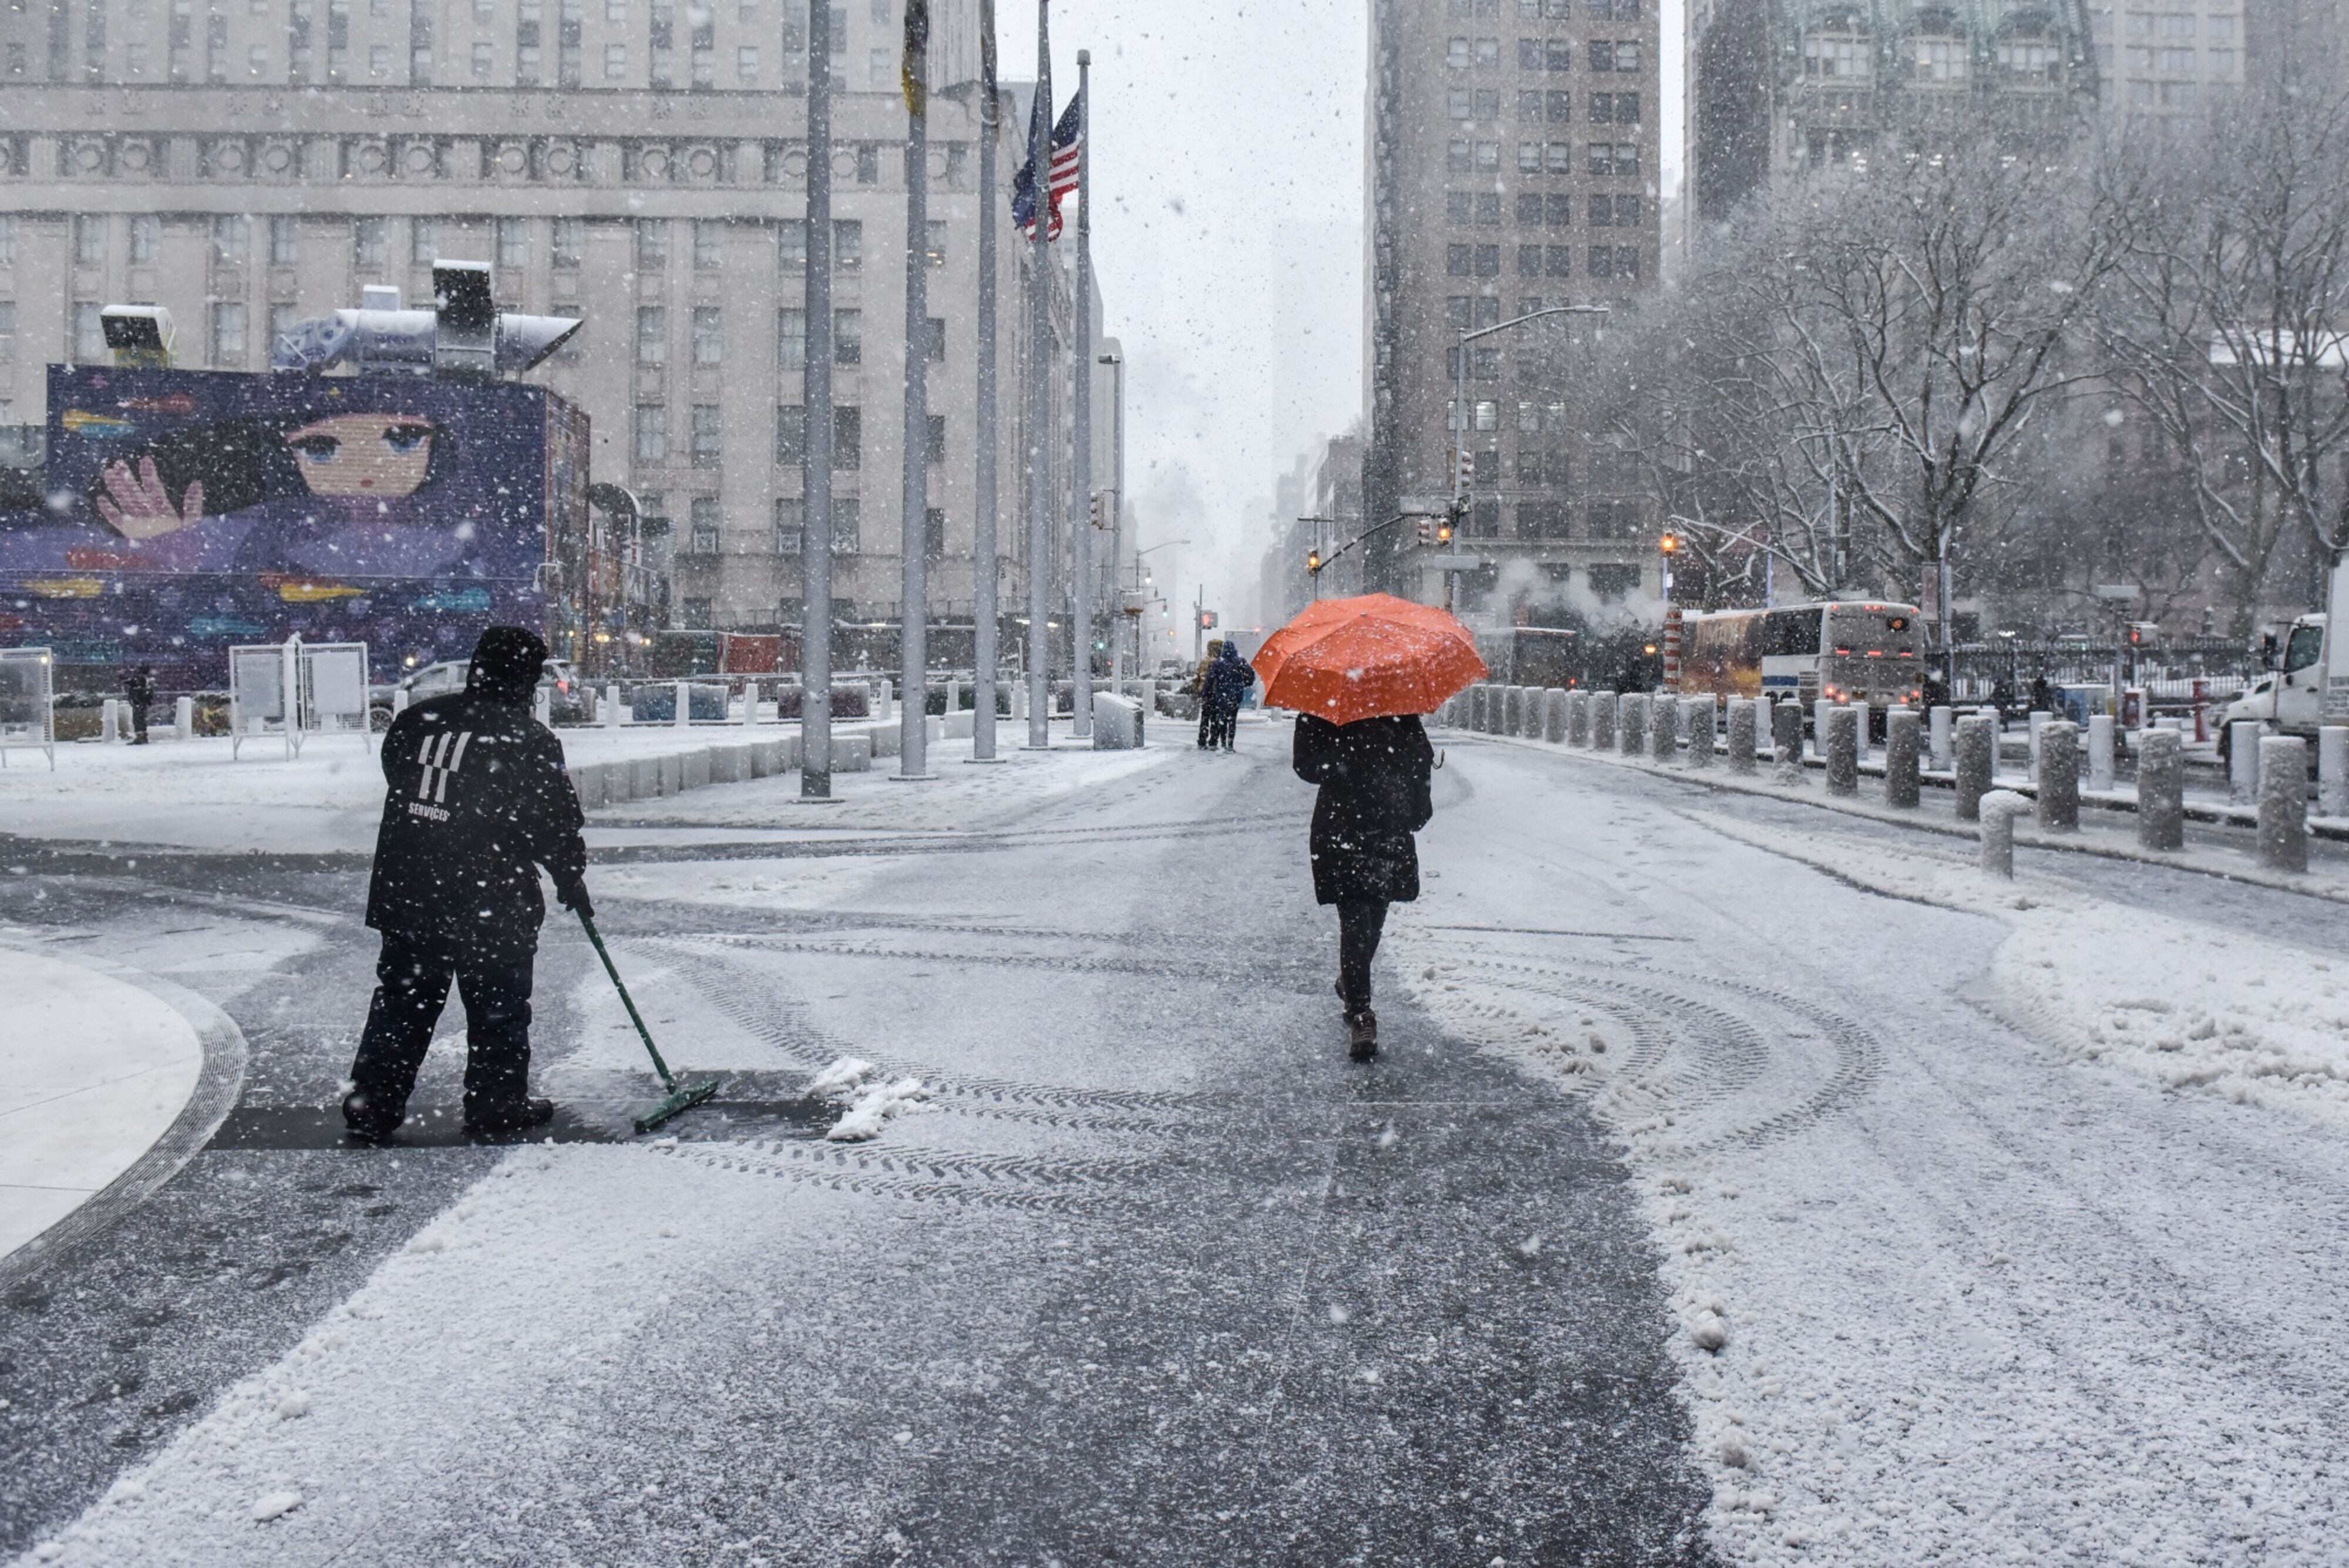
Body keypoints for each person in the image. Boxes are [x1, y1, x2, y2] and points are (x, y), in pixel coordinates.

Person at [343, 625, 588, 1140]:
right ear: (525, 678)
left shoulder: (417, 721)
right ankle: (496, 1106)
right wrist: (569, 875)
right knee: (498, 1006)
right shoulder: (528, 740)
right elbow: (553, 823)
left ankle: (373, 1103)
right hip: (490, 897)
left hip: (409, 887)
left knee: (403, 1002)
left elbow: (400, 779)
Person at [1292, 710, 1436, 1061]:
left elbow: (1420, 755)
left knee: (1375, 917)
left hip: (1388, 825)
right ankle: (1360, 1013)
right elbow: (1305, 763)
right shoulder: (1324, 711)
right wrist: (1345, 759)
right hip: (1343, 825)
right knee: (1356, 917)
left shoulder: (1399, 707)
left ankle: (1350, 980)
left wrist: (1419, 797)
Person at [1204, 641, 1256, 751]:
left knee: (1222, 719)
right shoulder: (1240, 661)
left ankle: (1223, 743)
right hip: (1236, 695)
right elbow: (1251, 675)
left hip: (1222, 695)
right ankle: (1230, 744)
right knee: (1232, 720)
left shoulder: (1219, 663)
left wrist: (1207, 692)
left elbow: (1210, 679)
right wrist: (1244, 684)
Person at [120, 663, 154, 745]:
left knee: (138, 719)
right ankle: (142, 736)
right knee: (141, 718)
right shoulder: (146, 679)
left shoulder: (141, 678)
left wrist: (122, 677)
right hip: (142, 702)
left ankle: (141, 737)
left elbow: (132, 683)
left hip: (139, 702)